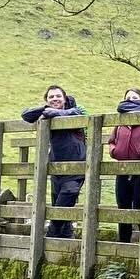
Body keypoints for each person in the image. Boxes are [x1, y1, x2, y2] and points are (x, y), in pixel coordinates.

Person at [20, 85, 87, 239]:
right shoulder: (47, 113)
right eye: (51, 97)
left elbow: (82, 113)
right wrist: (45, 109)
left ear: (64, 98)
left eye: (58, 96)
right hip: (56, 167)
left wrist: (58, 112)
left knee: (67, 197)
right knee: (60, 204)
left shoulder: (76, 111)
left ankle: (50, 236)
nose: (55, 99)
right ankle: (66, 239)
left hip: (77, 166)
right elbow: (26, 115)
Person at [108, 86, 140, 243]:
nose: (131, 101)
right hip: (122, 168)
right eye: (128, 98)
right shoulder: (120, 122)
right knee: (122, 205)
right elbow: (111, 141)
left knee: (139, 205)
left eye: (135, 98)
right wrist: (115, 151)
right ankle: (123, 242)